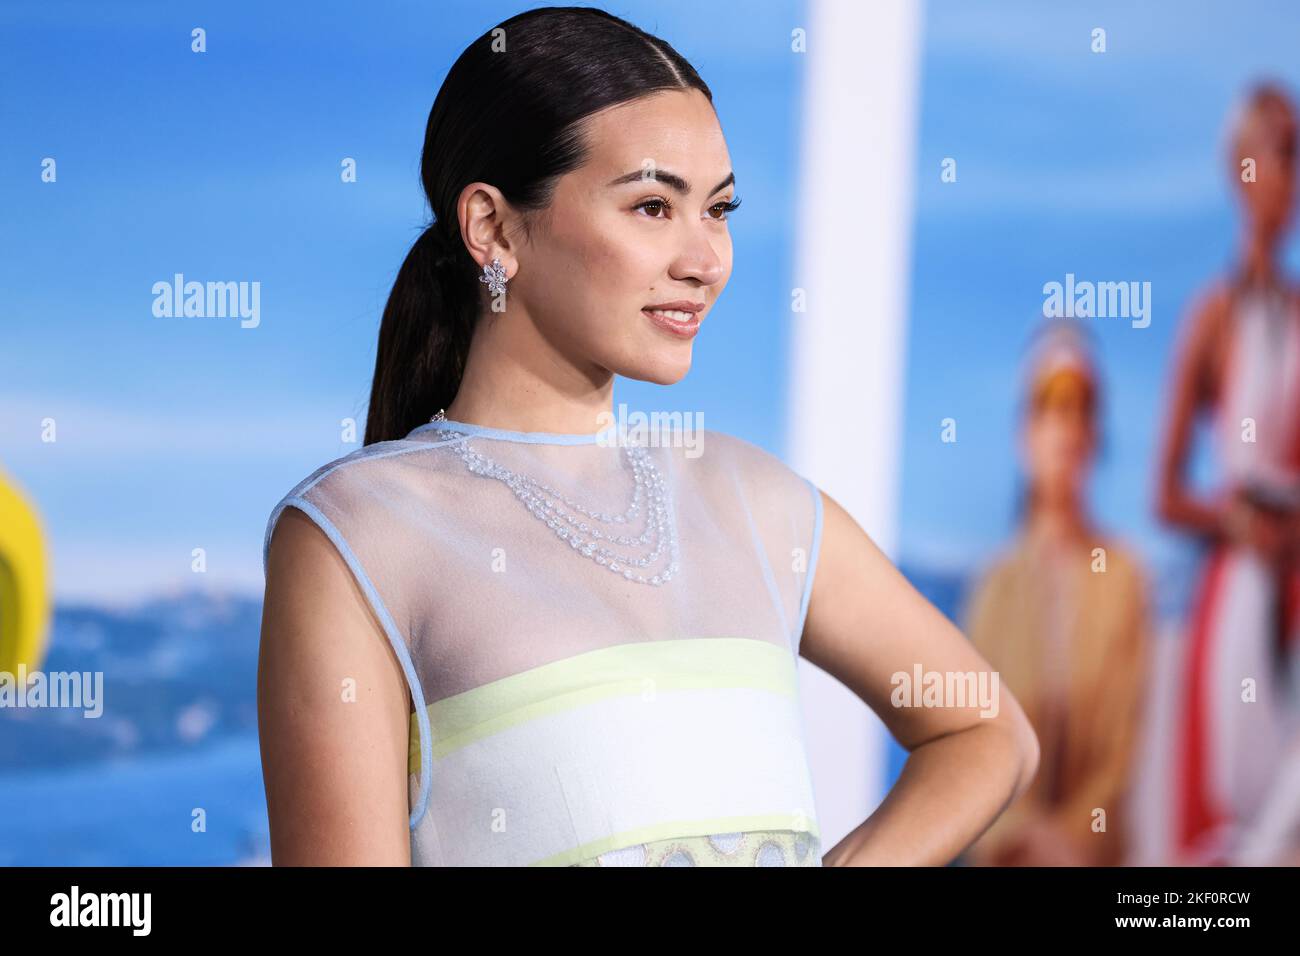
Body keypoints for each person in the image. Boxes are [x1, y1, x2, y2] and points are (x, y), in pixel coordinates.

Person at [256, 5, 1038, 867]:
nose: (705, 259)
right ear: (493, 228)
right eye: (654, 206)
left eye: (720, 209)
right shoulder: (358, 534)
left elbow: (985, 728)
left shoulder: (755, 501)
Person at [1153, 81, 1300, 865]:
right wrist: (1239, 525)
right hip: (1240, 594)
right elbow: (1166, 492)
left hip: (1294, 589)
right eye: (1278, 151)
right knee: (1231, 835)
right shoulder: (1214, 315)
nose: (1291, 171)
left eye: (1296, 153)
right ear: (1242, 170)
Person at [959, 320, 1151, 867]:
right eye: (1050, 405)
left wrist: (1068, 844)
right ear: (1026, 432)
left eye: (1081, 407)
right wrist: (1022, 837)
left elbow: (1121, 761)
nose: (1066, 425)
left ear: (1096, 433)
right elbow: (976, 746)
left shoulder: (1125, 578)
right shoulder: (994, 587)